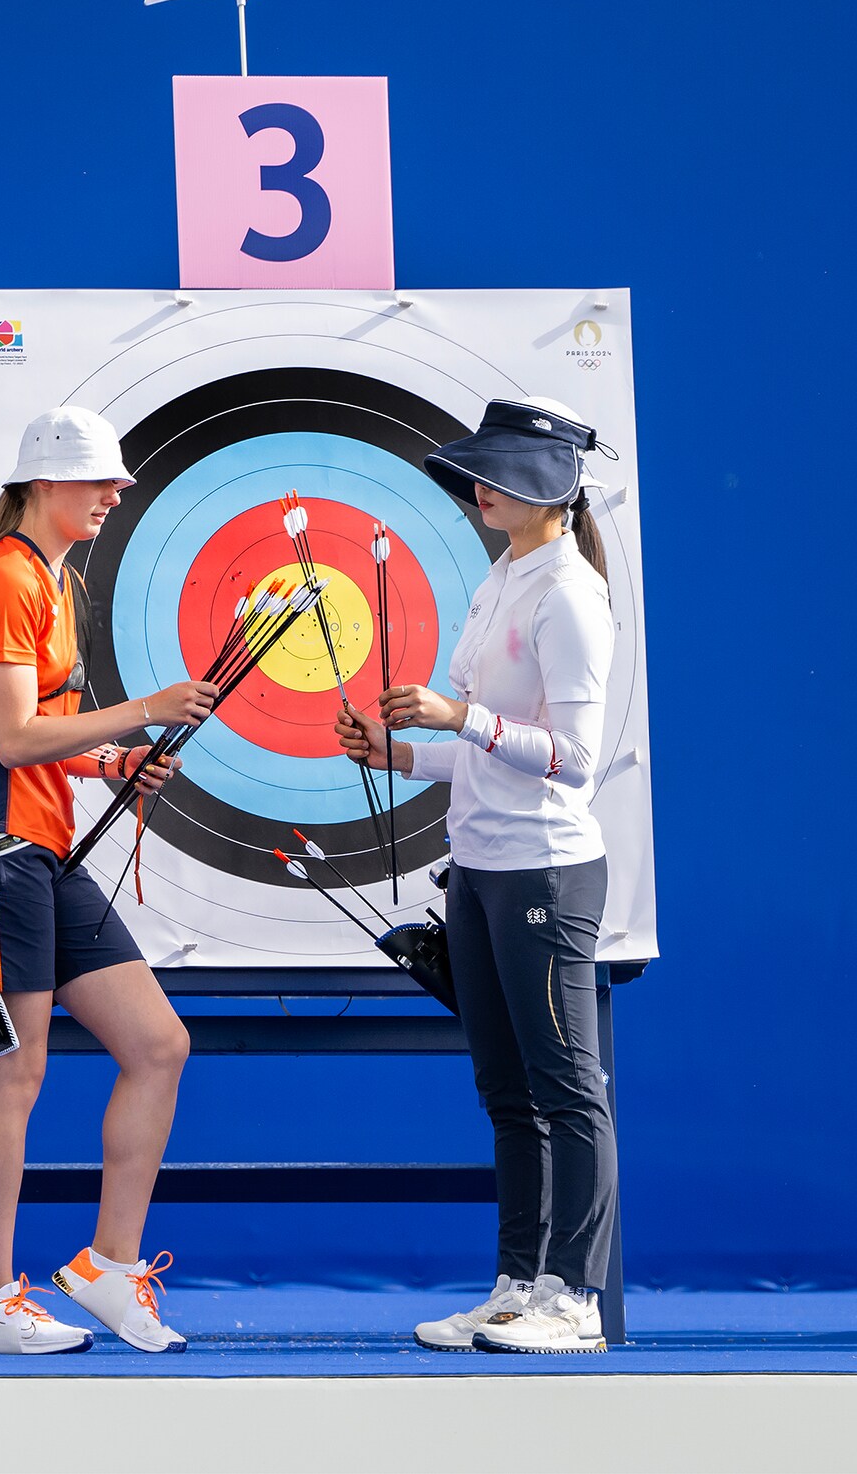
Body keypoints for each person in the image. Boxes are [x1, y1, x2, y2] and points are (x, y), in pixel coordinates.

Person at [0, 407, 218, 1355]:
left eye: (116, 482)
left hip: (39, 848)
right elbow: (9, 739)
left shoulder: (57, 576)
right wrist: (147, 709)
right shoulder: (7, 576)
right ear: (43, 484)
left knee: (158, 1044)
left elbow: (47, 737)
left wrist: (111, 763)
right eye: (98, 481)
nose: (113, 494)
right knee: (12, 1077)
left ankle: (107, 1267)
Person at [337, 396, 619, 1355]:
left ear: (549, 491)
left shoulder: (570, 595)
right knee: (506, 1091)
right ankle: (513, 1288)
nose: (481, 489)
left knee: (567, 1087)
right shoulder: (503, 576)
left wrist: (458, 718)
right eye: (481, 473)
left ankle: (572, 1298)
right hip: (481, 869)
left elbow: (575, 759)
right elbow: (488, 753)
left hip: (544, 871)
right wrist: (400, 754)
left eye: (501, 474)